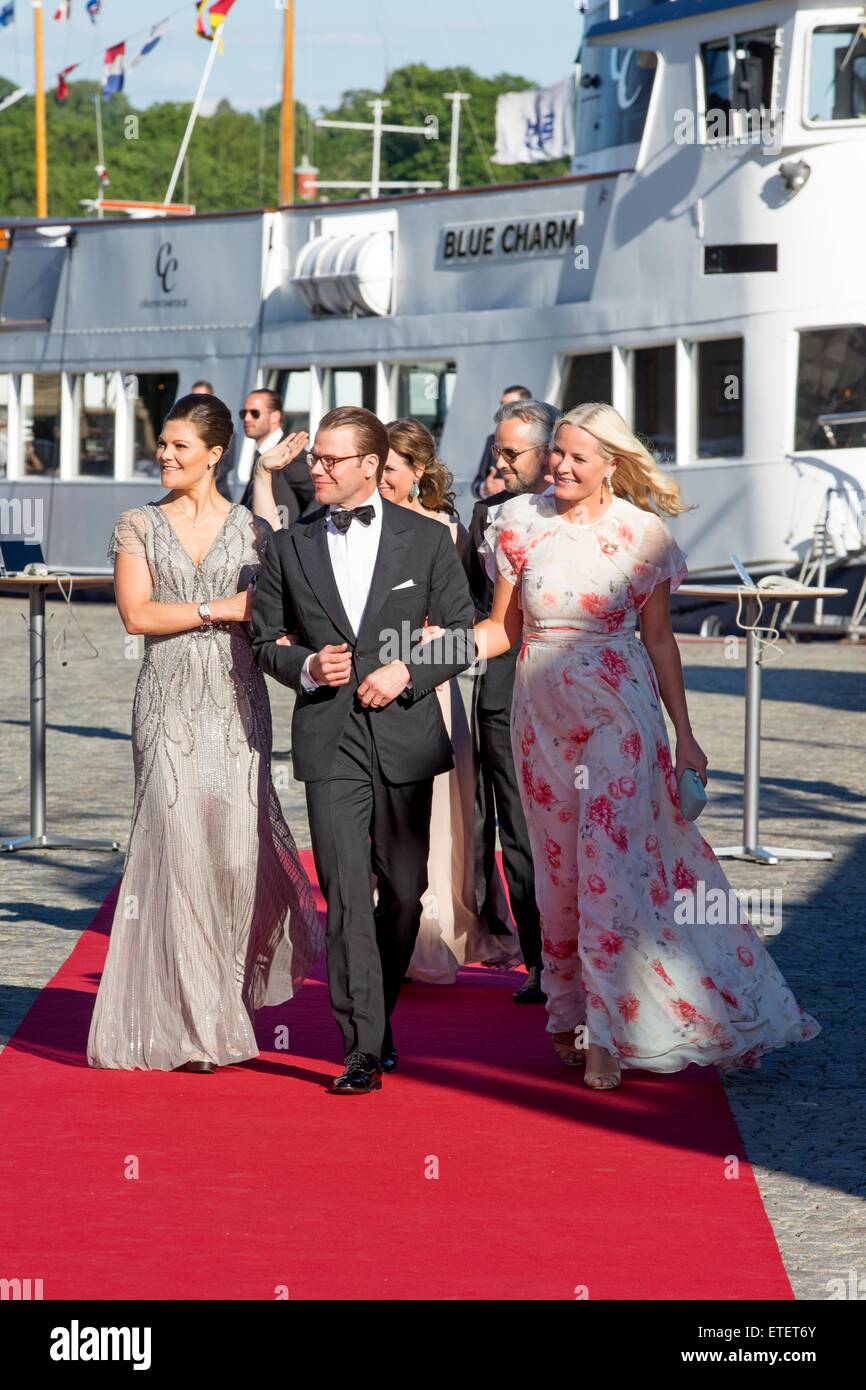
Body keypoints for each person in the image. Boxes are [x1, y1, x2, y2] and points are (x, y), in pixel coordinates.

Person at [473, 403, 821, 1090]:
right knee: (560, 877)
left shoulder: (643, 534)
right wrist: (434, 653)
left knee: (606, 864)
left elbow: (659, 639)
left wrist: (685, 736)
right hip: (541, 720)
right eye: (557, 453)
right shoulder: (516, 524)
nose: (561, 466)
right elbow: (499, 632)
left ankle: (609, 1034)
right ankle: (569, 1016)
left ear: (610, 464)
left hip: (619, 716)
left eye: (577, 456)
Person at [87, 393, 322, 1073]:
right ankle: (193, 1024)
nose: (165, 455)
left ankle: (216, 1003)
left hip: (235, 703)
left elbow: (278, 613)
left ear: (215, 455)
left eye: (179, 446)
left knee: (232, 860)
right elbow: (137, 615)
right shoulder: (137, 524)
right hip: (166, 706)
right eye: (162, 444)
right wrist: (220, 607)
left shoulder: (254, 530)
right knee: (178, 848)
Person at [251, 406, 476, 1095]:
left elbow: (464, 634)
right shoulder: (290, 547)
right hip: (329, 739)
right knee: (345, 892)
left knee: (405, 895)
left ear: (370, 467)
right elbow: (265, 643)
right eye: (313, 458)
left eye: (328, 460)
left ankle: (378, 1020)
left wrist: (405, 669)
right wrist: (310, 669)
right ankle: (361, 1048)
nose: (313, 468)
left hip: (406, 732)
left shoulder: (427, 538)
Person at [379, 417, 521, 984]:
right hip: (371, 679)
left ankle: (434, 936)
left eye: (389, 470)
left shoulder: (446, 530)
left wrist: (433, 640)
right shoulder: (357, 527)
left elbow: (467, 614)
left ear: (416, 473)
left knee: (442, 814)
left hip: (431, 684)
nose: (380, 480)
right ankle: (386, 928)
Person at [467, 398, 559, 1004]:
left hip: (581, 695)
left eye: (511, 452)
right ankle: (539, 961)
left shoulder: (596, 518)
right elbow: (476, 610)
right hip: (502, 690)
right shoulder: (487, 518)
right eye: (496, 450)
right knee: (518, 831)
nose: (498, 462)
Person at [237, 388, 313, 522]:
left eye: (255, 413)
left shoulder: (292, 457)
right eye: (244, 413)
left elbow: (320, 497)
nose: (247, 418)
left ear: (275, 417)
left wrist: (298, 536)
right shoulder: (259, 454)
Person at [471, 385, 532, 500]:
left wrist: (510, 485)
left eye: (511, 405)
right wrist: (486, 488)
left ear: (528, 408)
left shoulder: (539, 441)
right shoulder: (492, 440)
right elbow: (476, 484)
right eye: (502, 404)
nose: (503, 409)